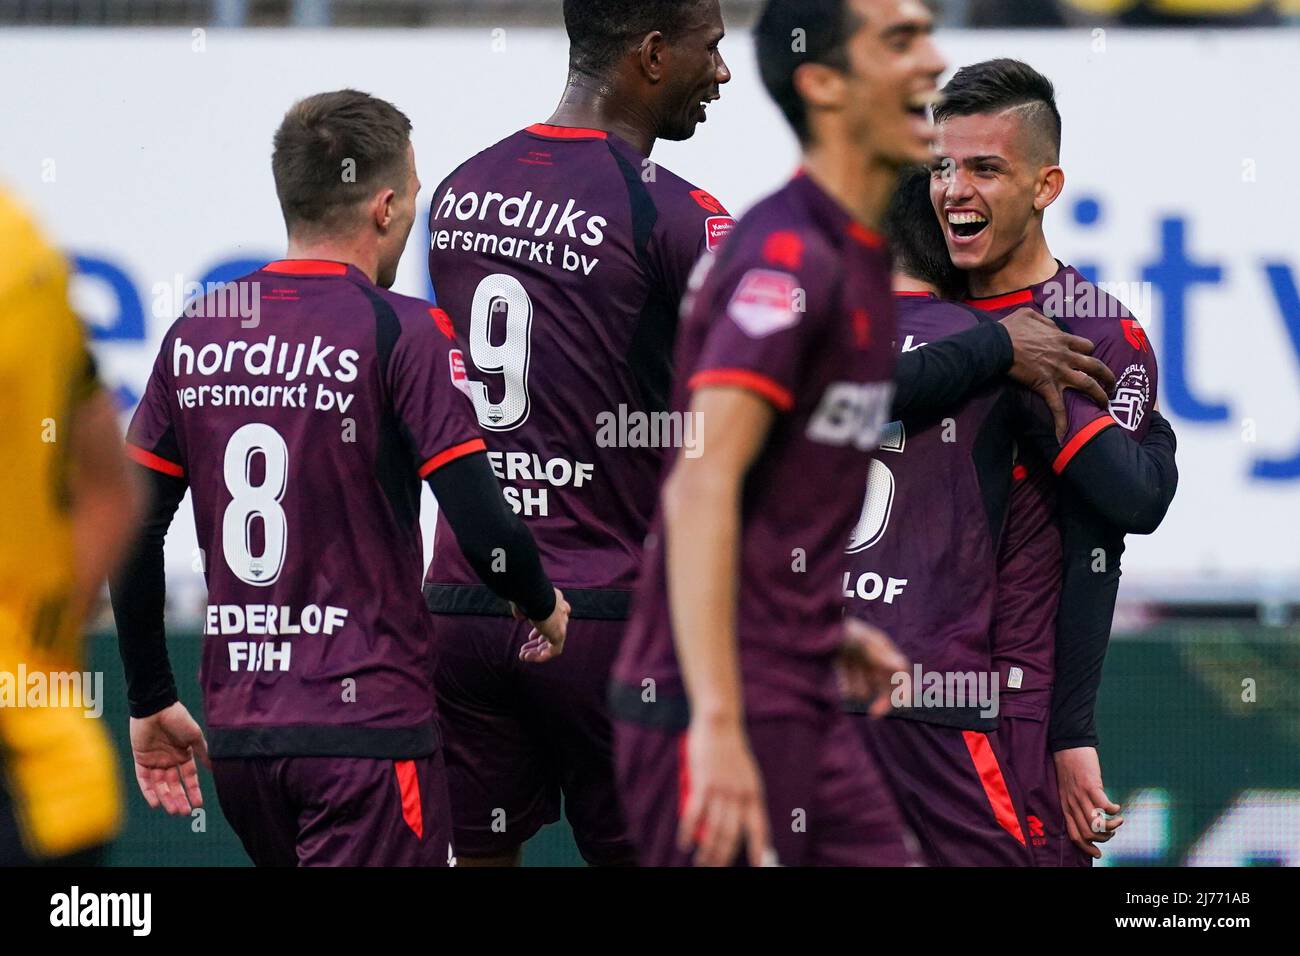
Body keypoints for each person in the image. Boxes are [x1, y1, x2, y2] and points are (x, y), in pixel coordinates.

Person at [109, 90, 568, 867]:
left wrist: (152, 694)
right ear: (385, 206)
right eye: (415, 193)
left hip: (246, 742)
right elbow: (485, 531)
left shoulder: (200, 329)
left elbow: (127, 526)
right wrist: (541, 601)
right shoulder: (403, 331)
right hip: (368, 739)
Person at [611, 0, 947, 867]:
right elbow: (701, 485)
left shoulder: (857, 258)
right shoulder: (785, 261)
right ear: (823, 82)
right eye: (900, 42)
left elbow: (775, 491)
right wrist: (717, 727)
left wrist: (821, 623)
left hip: (797, 690)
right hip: (715, 708)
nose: (933, 62)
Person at [421, 0, 733, 866]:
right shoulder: (673, 213)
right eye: (710, 51)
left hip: (463, 608)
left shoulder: (459, 189)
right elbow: (802, 363)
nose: (724, 74)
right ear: (654, 54)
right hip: (605, 619)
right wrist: (991, 344)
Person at [843, 166, 1177, 865]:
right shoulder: (1015, 349)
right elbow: (1127, 503)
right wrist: (1157, 440)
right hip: (946, 697)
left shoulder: (803, 353)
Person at [931, 59, 1175, 863]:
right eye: (943, 166)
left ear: (1046, 186)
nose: (954, 190)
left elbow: (1101, 538)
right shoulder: (912, 311)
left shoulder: (1095, 332)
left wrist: (1070, 729)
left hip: (1007, 709)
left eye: (985, 169)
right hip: (875, 695)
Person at [0, 186, 140, 865]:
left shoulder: (22, 261)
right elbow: (108, 489)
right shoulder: (24, 250)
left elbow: (107, 489)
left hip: (36, 775)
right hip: (54, 775)